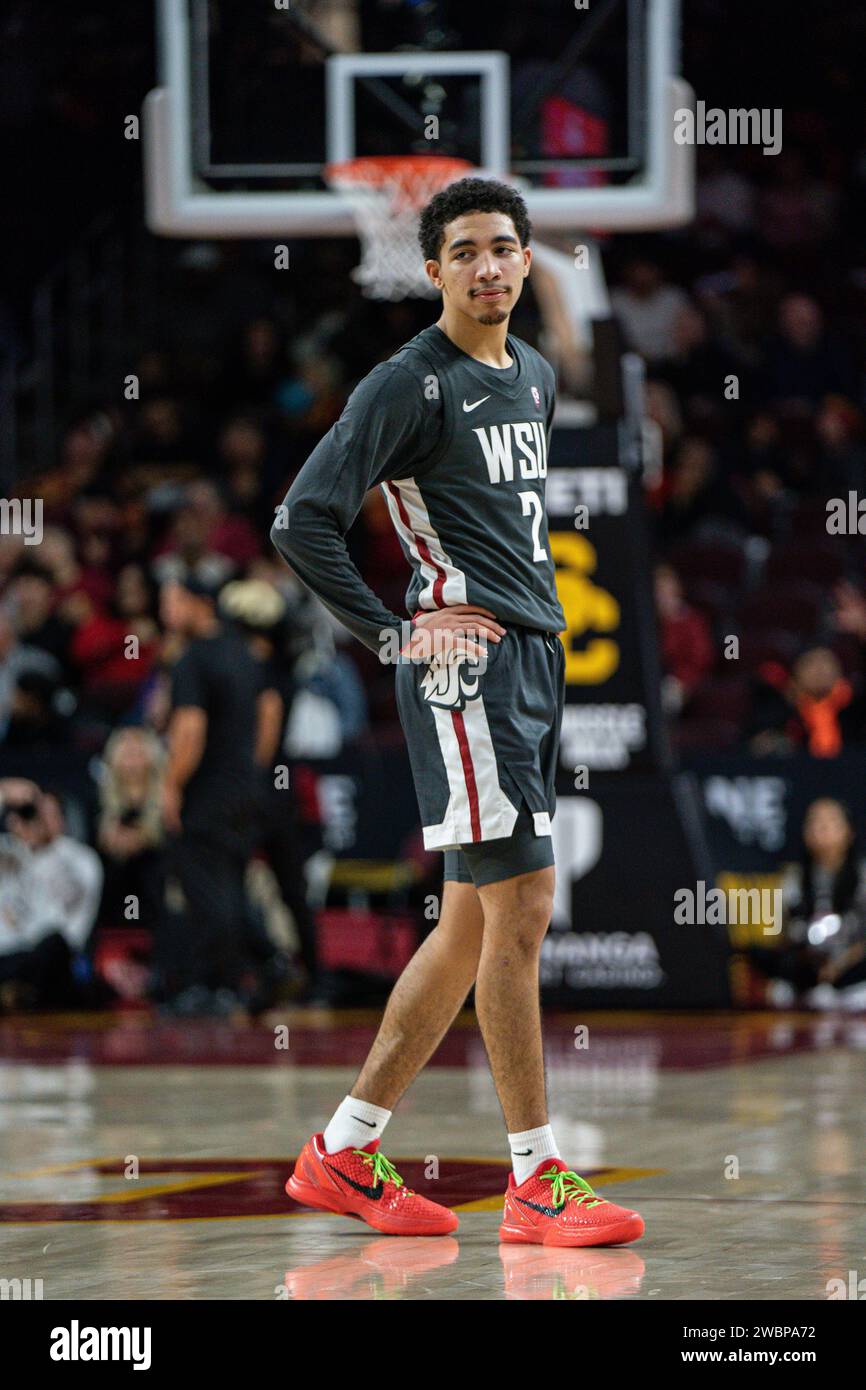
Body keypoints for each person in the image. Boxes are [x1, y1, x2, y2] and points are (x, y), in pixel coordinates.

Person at [271, 178, 644, 1245]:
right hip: (462, 666)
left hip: (531, 659)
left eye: (504, 248)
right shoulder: (408, 383)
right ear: (430, 269)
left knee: (473, 922)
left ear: (528, 262)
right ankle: (533, 1178)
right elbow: (302, 521)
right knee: (522, 907)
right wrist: (393, 630)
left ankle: (343, 1150)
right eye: (465, 251)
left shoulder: (527, 373)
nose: (488, 266)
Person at [158, 574, 271, 1016]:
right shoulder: (244, 651)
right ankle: (253, 973)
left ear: (199, 603)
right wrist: (251, 769)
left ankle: (211, 986)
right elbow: (269, 711)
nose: (165, 612)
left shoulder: (192, 659)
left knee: (206, 889)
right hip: (243, 788)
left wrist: (170, 785)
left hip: (206, 791)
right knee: (231, 885)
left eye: (172, 600)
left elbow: (190, 730)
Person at [750, 799, 866, 1011]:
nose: (820, 829)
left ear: (849, 832)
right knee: (759, 955)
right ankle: (809, 990)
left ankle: (837, 992)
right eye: (814, 822)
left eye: (830, 822)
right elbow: (788, 934)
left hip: (851, 967)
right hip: (811, 966)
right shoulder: (794, 877)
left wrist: (839, 965)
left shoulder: (861, 876)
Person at [0, 780, 103, 1009]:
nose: (37, 821)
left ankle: (16, 993)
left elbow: (71, 906)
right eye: (31, 812)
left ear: (62, 819)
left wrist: (43, 848)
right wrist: (4, 795)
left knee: (51, 946)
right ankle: (12, 992)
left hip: (54, 960)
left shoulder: (80, 858)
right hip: (7, 958)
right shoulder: (6, 852)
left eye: (46, 813)